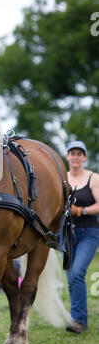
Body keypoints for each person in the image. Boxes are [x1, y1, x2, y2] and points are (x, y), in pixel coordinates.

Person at [66, 140, 99, 333]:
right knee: (71, 277)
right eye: (72, 153)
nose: (76, 156)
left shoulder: (93, 178)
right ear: (67, 156)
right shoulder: (63, 177)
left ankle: (79, 321)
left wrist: (81, 211)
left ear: (84, 157)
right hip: (67, 234)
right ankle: (77, 317)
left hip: (89, 232)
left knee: (77, 272)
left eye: (80, 153)